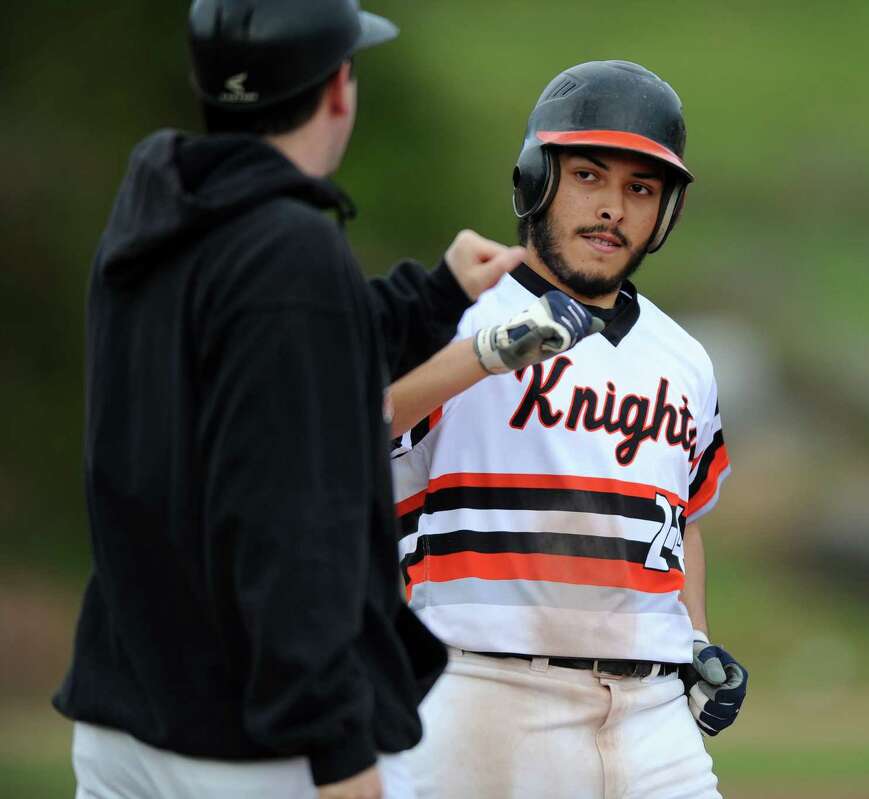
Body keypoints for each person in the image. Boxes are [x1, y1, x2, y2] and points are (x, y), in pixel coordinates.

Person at [53, 2, 600, 798]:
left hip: (121, 721)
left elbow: (290, 356)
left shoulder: (161, 219)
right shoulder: (292, 252)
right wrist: (341, 751)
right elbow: (292, 530)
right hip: (250, 745)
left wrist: (437, 293)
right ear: (338, 87)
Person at [389, 60, 748, 799]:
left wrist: (697, 640)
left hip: (652, 711)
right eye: (588, 175)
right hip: (482, 689)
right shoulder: (456, 314)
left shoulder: (683, 357)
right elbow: (350, 427)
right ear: (534, 180)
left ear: (666, 212)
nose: (613, 207)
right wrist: (478, 358)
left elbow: (681, 521)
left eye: (640, 188)